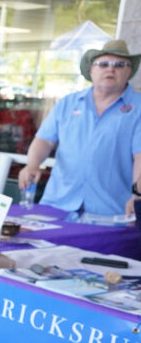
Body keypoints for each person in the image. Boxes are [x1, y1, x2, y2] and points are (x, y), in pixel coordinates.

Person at [18, 39, 141, 217]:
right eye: (103, 64)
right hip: (57, 205)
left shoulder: (138, 108)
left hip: (112, 211)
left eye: (119, 65)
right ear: (91, 70)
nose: (110, 69)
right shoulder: (68, 103)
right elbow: (44, 140)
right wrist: (32, 164)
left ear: (129, 71)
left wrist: (137, 195)